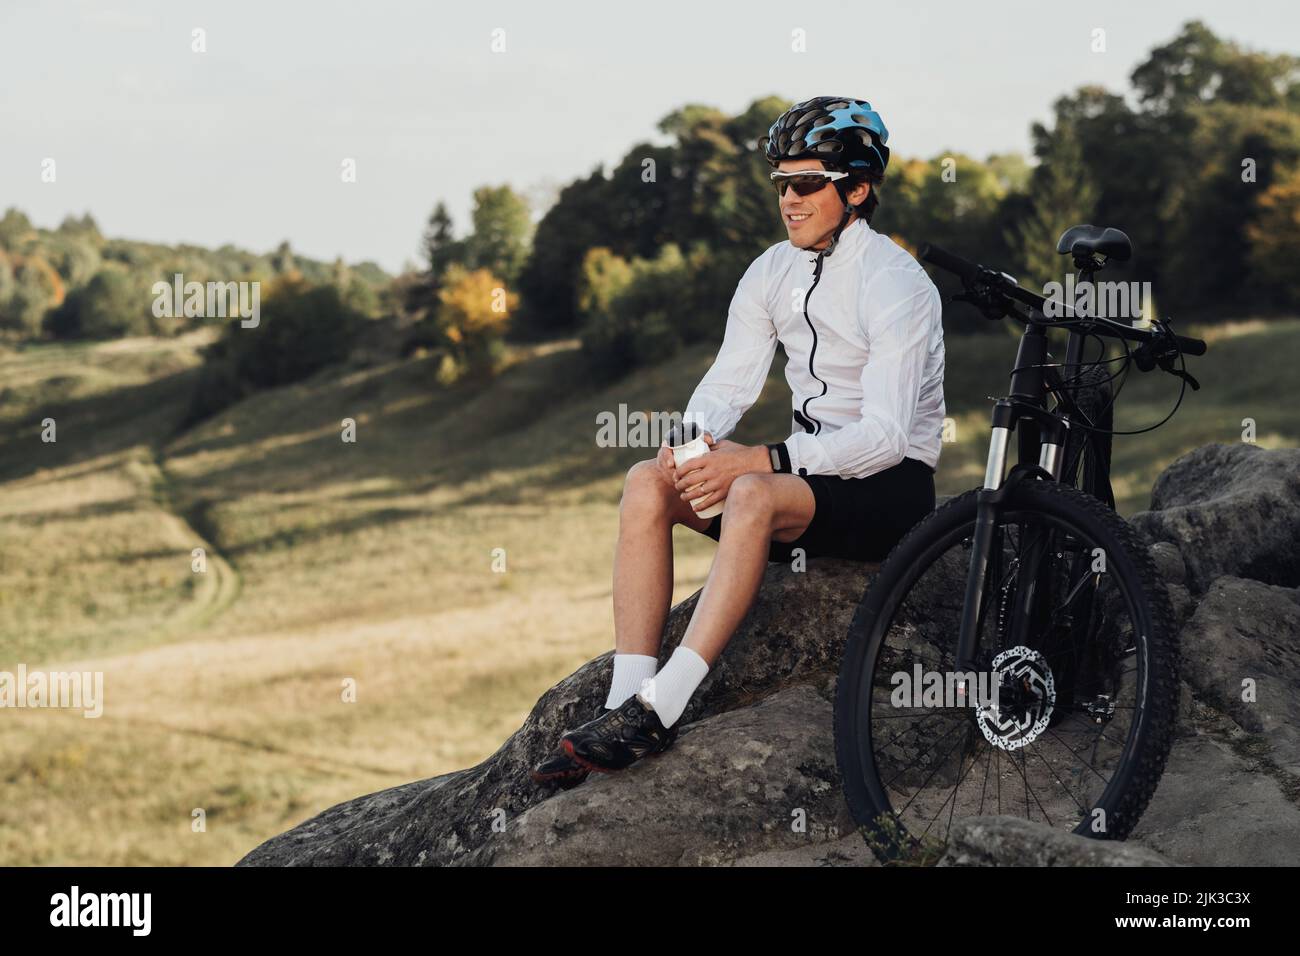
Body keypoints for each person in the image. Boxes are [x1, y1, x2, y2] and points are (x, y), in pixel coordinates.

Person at [532, 96, 946, 787]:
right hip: (802, 486)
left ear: (858, 188)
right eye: (782, 184)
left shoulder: (899, 286)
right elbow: (728, 383)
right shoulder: (771, 271)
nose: (789, 200)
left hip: (887, 491)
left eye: (808, 183)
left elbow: (885, 436)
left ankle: (662, 711)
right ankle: (621, 701)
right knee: (646, 481)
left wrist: (765, 460)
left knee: (751, 491)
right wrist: (691, 442)